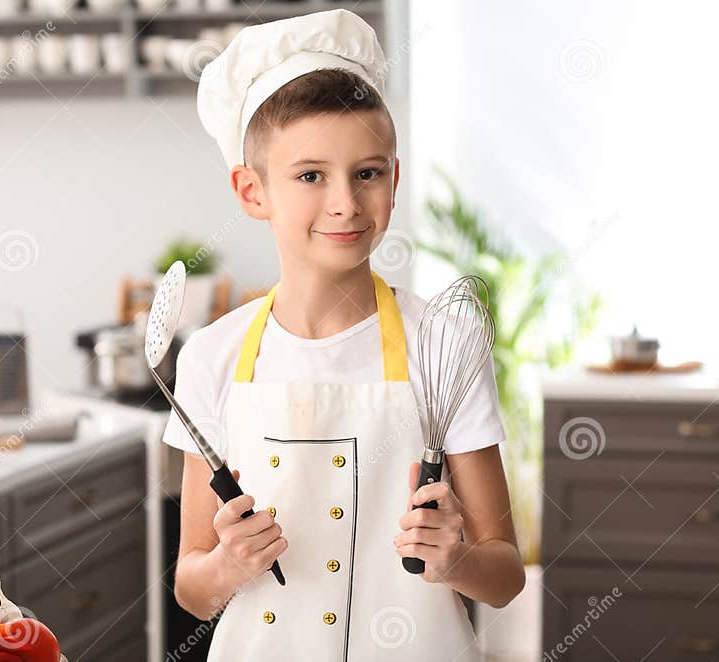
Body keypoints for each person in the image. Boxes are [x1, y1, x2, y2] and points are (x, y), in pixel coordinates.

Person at [161, 9, 525, 661]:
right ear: (252, 190)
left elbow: (504, 577)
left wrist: (457, 559)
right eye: (310, 176)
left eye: (368, 172)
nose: (346, 204)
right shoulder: (211, 357)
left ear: (394, 175)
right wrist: (228, 565)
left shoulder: (445, 345)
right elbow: (192, 588)